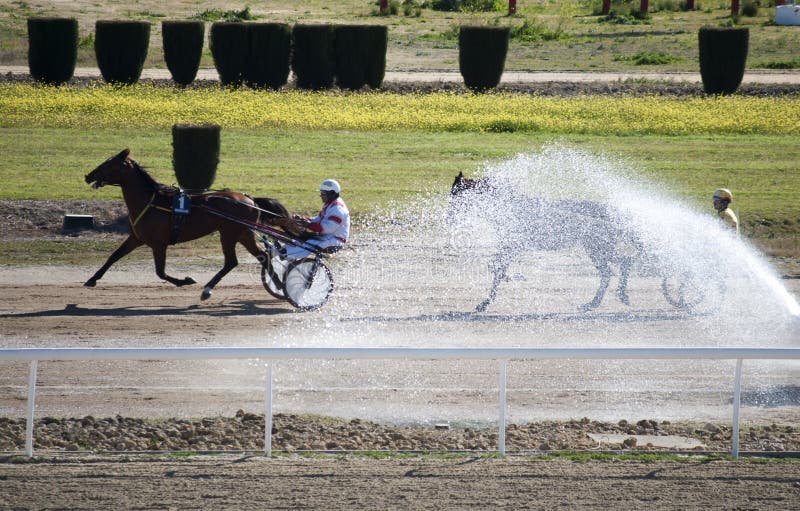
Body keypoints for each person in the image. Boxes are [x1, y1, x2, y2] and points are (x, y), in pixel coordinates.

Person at [281, 179, 350, 260]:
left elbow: (327, 229)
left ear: (331, 193)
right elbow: (319, 219)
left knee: (311, 243)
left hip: (335, 239)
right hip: (327, 236)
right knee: (301, 239)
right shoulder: (330, 204)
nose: (320, 195)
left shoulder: (338, 209)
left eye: (323, 193)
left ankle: (289, 255)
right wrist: (304, 219)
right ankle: (285, 251)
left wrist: (308, 225)